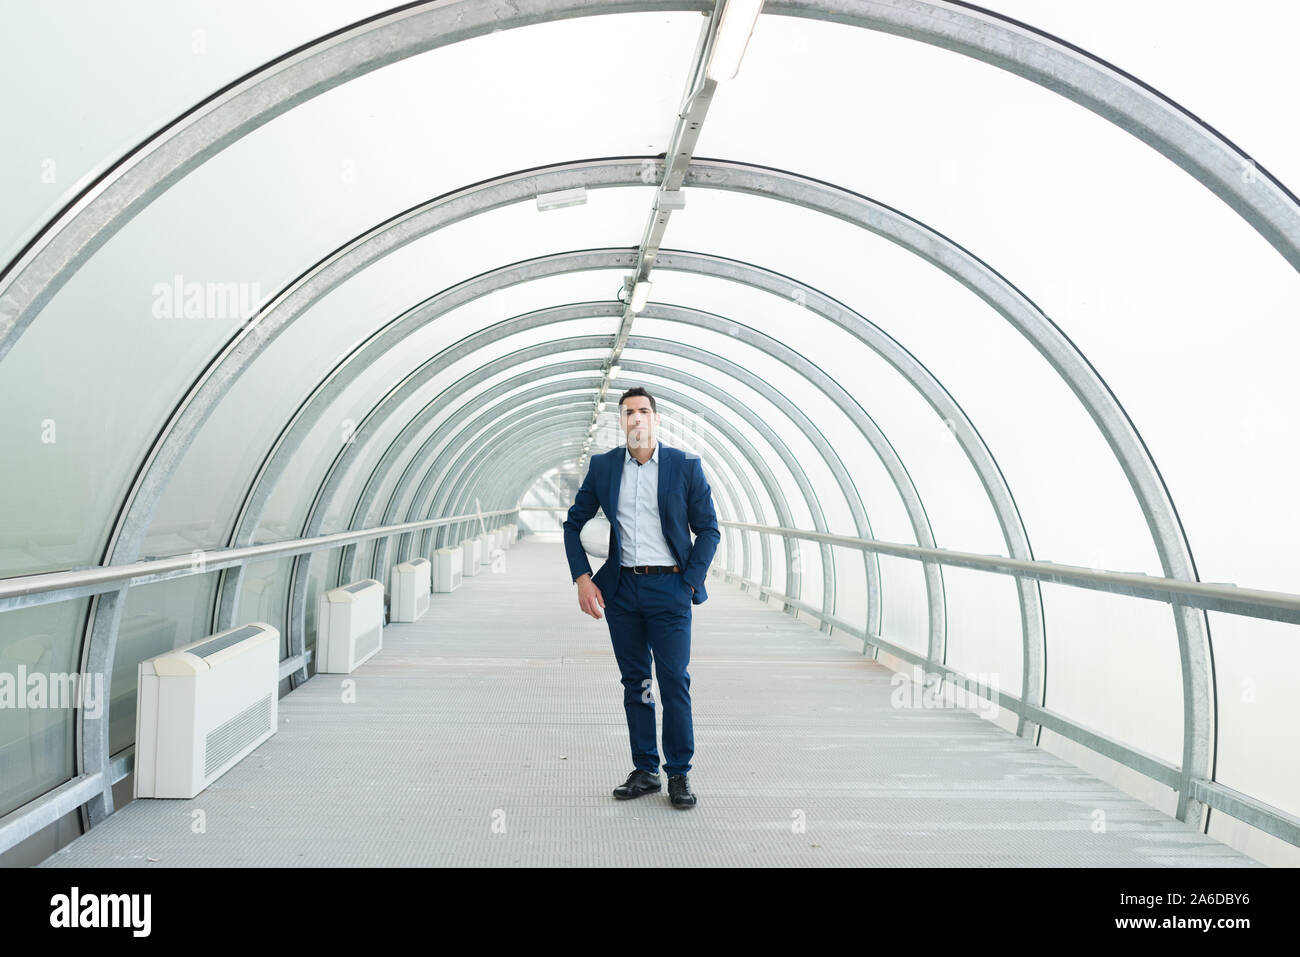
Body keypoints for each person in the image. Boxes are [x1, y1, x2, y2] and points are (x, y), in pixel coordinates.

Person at [562, 386, 720, 808]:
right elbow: (571, 523)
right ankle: (646, 770)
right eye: (629, 412)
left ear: (656, 419)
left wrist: (688, 582)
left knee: (674, 683)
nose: (636, 418)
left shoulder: (685, 466)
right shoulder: (604, 468)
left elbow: (708, 529)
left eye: (643, 411)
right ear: (621, 420)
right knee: (638, 683)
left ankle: (679, 774)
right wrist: (582, 577)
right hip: (623, 590)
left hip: (670, 589)